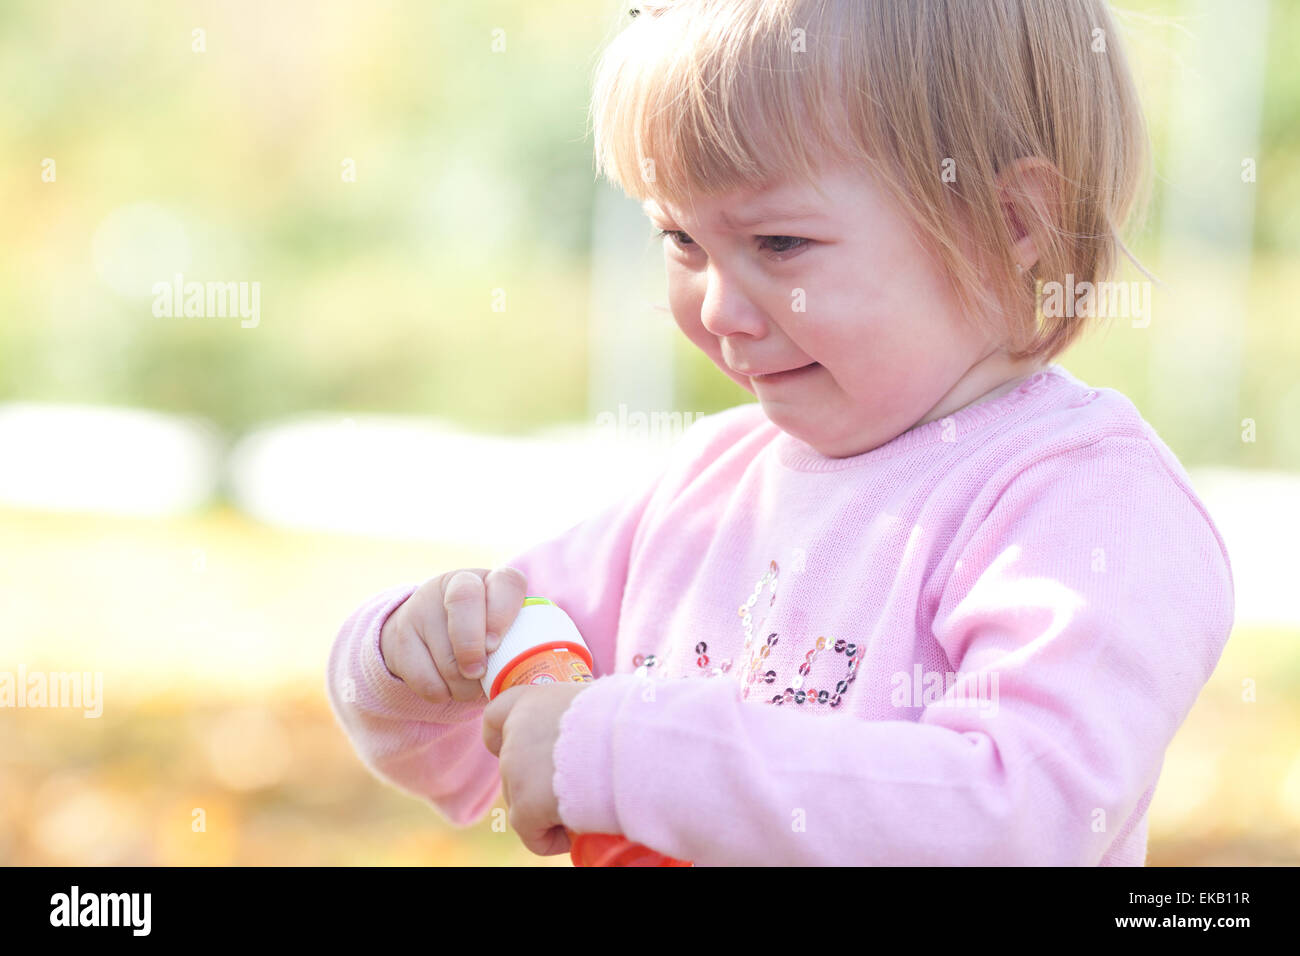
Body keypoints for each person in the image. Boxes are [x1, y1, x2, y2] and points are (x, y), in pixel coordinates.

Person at [326, 0, 1234, 865]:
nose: (719, 308)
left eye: (779, 244)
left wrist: (639, 755)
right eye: (680, 239)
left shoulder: (1082, 502)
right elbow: (480, 746)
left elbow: (1023, 817)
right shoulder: (709, 488)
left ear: (1010, 222)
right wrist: (416, 659)